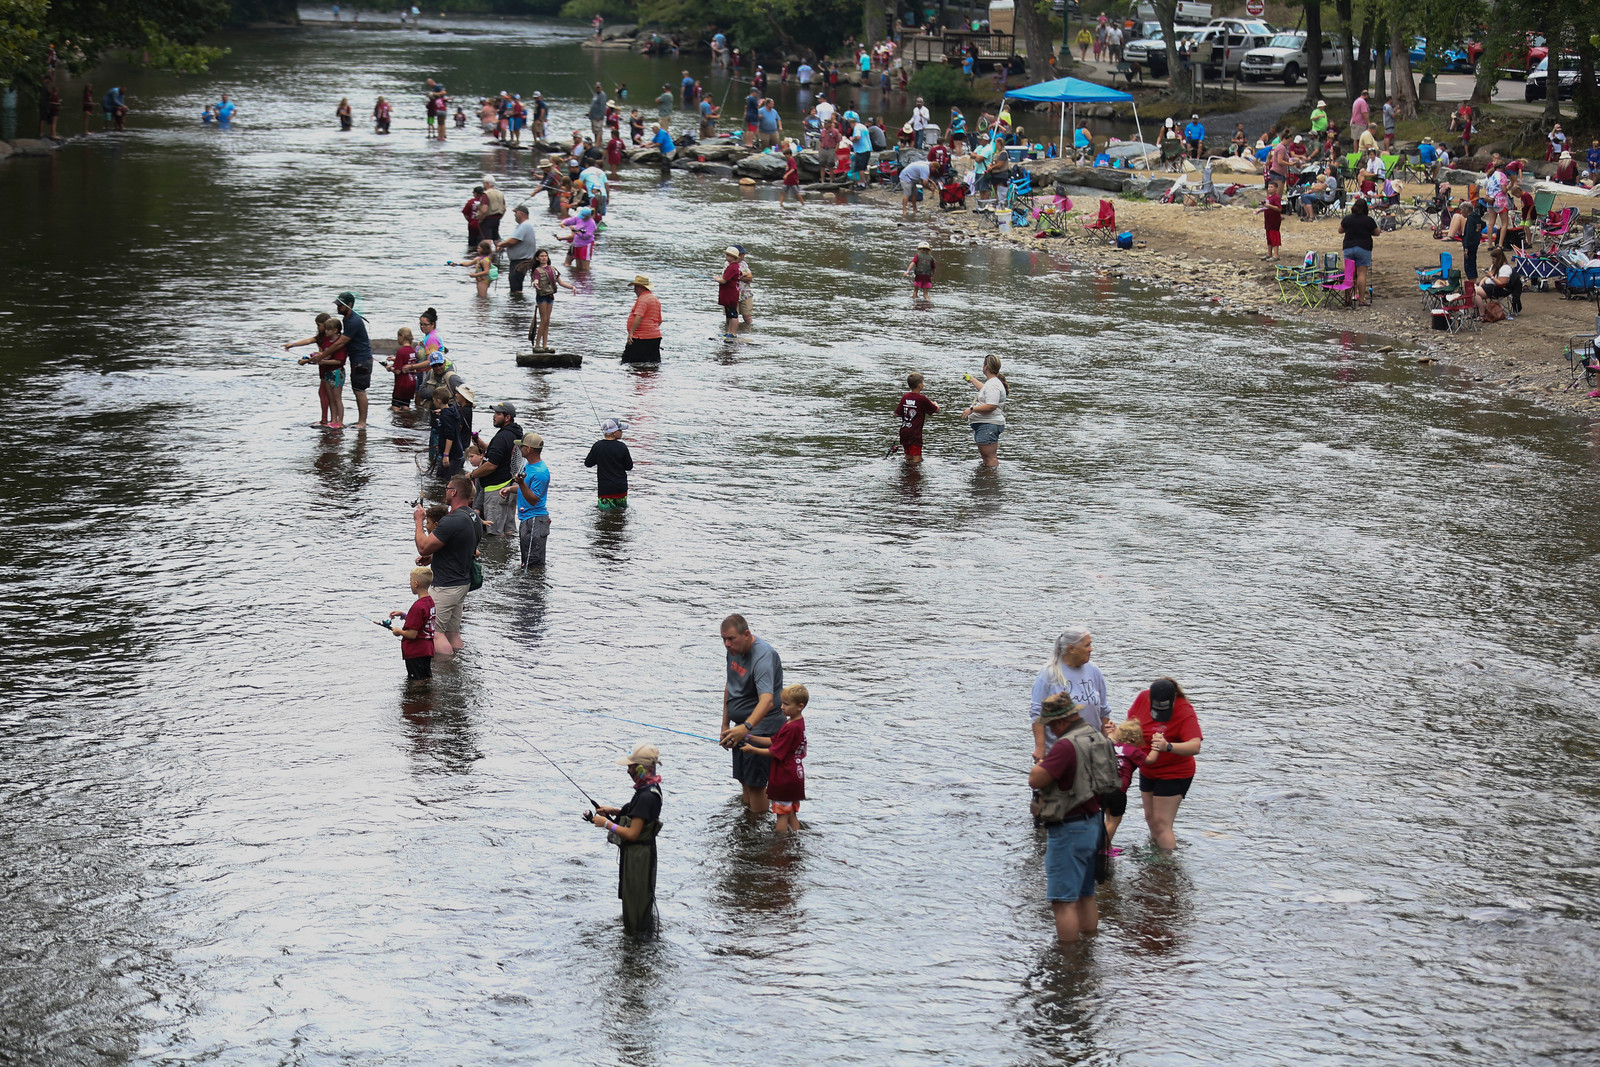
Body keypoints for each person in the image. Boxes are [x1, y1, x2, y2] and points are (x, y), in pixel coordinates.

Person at [1026, 693, 1104, 945]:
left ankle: (1069, 963)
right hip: (1094, 822)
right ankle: (1089, 949)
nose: (1049, 730)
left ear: (1060, 722)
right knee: (1086, 895)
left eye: (1049, 725)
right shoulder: (1093, 734)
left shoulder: (1065, 745)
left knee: (1062, 903)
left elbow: (1035, 780)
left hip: (1070, 829)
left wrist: (1042, 763)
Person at [586, 743, 664, 935]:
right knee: (636, 899)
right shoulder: (650, 789)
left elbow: (632, 833)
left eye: (631, 766)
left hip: (639, 858)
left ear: (641, 768)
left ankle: (637, 939)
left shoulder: (646, 797)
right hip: (639, 854)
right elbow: (638, 815)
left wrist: (605, 823)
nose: (628, 770)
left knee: (636, 901)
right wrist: (612, 811)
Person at [1125, 678, 1202, 851]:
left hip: (1175, 772)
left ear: (1174, 699)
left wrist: (1167, 746)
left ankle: (1167, 867)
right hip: (1148, 768)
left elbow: (1195, 746)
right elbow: (1132, 726)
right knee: (1151, 820)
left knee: (1162, 824)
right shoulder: (1142, 698)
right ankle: (1155, 862)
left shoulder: (1184, 710)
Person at [718, 614, 784, 814]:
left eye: (731, 638)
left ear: (746, 634)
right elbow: (730, 686)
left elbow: (767, 700)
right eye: (723, 639)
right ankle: (748, 829)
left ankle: (758, 829)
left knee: (756, 785)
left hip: (762, 728)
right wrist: (725, 725)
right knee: (743, 780)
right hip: (740, 727)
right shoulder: (733, 651)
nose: (727, 644)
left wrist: (746, 728)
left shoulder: (763, 656)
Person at [412, 475, 481, 656]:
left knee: (435, 633)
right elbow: (461, 547)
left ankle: (445, 673)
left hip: (446, 586)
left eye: (447, 487)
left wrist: (419, 520)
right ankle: (458, 666)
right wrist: (434, 557)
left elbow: (423, 547)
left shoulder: (451, 521)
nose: (445, 490)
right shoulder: (473, 517)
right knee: (452, 633)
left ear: (454, 492)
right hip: (462, 582)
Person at [1029, 627, 1112, 761]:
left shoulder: (1094, 670)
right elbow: (1037, 713)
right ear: (1071, 648)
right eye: (1087, 645)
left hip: (1093, 750)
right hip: (1061, 751)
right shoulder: (1048, 674)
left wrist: (1106, 742)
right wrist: (1040, 747)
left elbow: (1104, 710)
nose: (1091, 649)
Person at [739, 683, 808, 831]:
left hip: (785, 776)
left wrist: (752, 750)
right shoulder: (796, 723)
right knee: (791, 813)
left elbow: (774, 751)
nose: (782, 707)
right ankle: (795, 841)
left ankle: (780, 845)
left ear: (800, 706)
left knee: (782, 815)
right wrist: (750, 737)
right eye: (782, 703)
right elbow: (773, 740)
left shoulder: (791, 727)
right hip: (796, 774)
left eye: (786, 704)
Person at [320, 291, 374, 429]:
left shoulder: (353, 321)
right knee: (357, 389)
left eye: (341, 305)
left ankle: (362, 422)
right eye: (338, 305)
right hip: (356, 359)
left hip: (362, 360)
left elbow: (340, 343)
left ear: (349, 305)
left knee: (359, 390)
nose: (338, 308)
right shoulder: (347, 319)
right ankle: (360, 421)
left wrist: (322, 356)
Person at [472, 402, 523, 537]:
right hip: (510, 487)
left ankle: (495, 556)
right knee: (509, 531)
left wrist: (472, 475)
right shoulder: (516, 432)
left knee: (494, 534)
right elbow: (499, 453)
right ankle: (508, 556)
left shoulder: (502, 437)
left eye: (498, 414)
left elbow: (491, 465)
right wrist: (479, 442)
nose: (494, 416)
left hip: (496, 490)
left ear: (507, 417)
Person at [386, 566, 436, 682]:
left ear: (416, 583)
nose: (410, 583)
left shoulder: (417, 607)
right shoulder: (429, 601)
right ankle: (427, 698)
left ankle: (416, 699)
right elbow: (423, 621)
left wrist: (399, 632)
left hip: (416, 652)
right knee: (426, 678)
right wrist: (403, 615)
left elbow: (412, 634)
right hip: (426, 649)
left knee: (416, 682)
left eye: (410, 580)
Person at [508, 433, 550, 569]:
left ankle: (534, 587)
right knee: (525, 561)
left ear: (529, 449)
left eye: (522, 446)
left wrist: (520, 484)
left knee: (533, 563)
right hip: (527, 519)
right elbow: (526, 489)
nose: (519, 449)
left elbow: (533, 499)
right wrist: (509, 489)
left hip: (535, 520)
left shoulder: (540, 472)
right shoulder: (528, 465)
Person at [1104, 718, 1145, 853]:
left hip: (1103, 788)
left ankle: (1106, 845)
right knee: (1114, 821)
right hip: (1118, 791)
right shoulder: (1134, 751)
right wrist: (1158, 747)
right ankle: (1101, 849)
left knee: (1108, 818)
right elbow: (1150, 761)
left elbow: (1110, 739)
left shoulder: (1112, 745)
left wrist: (1111, 732)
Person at [961, 354, 1007, 468]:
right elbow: (985, 390)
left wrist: (971, 409)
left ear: (985, 367)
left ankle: (991, 481)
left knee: (989, 458)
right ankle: (988, 479)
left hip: (988, 425)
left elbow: (991, 406)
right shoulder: (992, 383)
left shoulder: (993, 384)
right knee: (987, 458)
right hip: (986, 425)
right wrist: (972, 379)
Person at [528, 249, 577, 352]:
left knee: (547, 321)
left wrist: (572, 287)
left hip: (550, 296)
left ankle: (545, 345)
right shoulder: (537, 270)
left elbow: (560, 282)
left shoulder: (553, 269)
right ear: (537, 258)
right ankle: (537, 345)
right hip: (542, 297)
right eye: (541, 256)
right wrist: (535, 284)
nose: (544, 257)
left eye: (545, 256)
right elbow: (536, 280)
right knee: (544, 320)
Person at [585, 417, 634, 509]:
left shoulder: (597, 446)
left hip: (605, 490)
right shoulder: (622, 447)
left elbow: (588, 463)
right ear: (614, 432)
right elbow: (629, 467)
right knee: (621, 514)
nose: (622, 432)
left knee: (604, 516)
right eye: (620, 430)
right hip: (621, 489)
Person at [892, 370, 939, 463]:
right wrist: (936, 404)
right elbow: (936, 410)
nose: (923, 385)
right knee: (917, 459)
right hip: (915, 434)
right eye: (922, 383)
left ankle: (907, 475)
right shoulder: (922, 398)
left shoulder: (905, 396)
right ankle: (914, 476)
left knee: (908, 457)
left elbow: (897, 413)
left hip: (904, 431)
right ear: (919, 385)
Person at [1338, 199, 1376, 306]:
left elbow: (1340, 230)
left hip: (1349, 247)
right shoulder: (1368, 220)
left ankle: (1348, 298)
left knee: (1349, 273)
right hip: (1364, 248)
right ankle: (1362, 300)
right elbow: (1377, 232)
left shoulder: (1348, 219)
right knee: (1361, 273)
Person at [497, 204, 540, 294]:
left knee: (515, 283)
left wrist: (501, 244)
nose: (514, 215)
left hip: (521, 260)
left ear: (521, 213)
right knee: (514, 281)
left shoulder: (525, 225)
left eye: (515, 213)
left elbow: (513, 241)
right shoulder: (523, 226)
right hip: (520, 259)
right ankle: (517, 304)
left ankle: (517, 304)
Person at [622, 273, 662, 363]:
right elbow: (659, 321)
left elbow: (639, 316)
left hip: (640, 338)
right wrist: (651, 331)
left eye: (635, 287)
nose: (634, 290)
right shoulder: (655, 299)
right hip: (655, 337)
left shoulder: (643, 299)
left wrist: (631, 334)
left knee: (628, 362)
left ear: (639, 287)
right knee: (652, 363)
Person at [386, 327, 418, 411]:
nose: (397, 339)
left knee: (395, 407)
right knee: (405, 406)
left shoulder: (401, 351)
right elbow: (407, 361)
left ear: (402, 336)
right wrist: (395, 359)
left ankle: (398, 422)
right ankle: (407, 421)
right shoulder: (412, 350)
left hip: (401, 384)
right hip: (411, 382)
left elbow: (397, 371)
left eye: (398, 337)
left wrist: (390, 368)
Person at [716, 247, 743, 340]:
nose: (726, 256)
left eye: (728, 255)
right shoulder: (734, 266)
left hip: (730, 294)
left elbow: (724, 281)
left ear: (733, 257)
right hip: (730, 293)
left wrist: (717, 279)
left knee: (733, 314)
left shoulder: (732, 267)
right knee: (729, 314)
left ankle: (733, 333)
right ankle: (729, 332)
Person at [1255, 189, 1282, 261]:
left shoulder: (1276, 197)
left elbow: (1279, 208)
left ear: (1276, 188)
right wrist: (1260, 210)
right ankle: (1269, 253)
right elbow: (1266, 207)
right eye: (1269, 187)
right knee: (1269, 236)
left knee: (1274, 236)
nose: (1270, 188)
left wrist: (1269, 205)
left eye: (1271, 187)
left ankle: (1276, 255)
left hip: (1274, 220)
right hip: (1268, 219)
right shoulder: (1269, 197)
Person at [476, 176, 506, 243]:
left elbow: (484, 210)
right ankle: (499, 252)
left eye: (484, 183)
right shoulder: (500, 193)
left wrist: (480, 219)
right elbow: (504, 208)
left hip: (487, 219)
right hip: (497, 219)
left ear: (487, 183)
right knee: (496, 238)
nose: (483, 185)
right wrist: (500, 217)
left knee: (486, 239)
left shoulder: (486, 194)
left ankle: (487, 253)